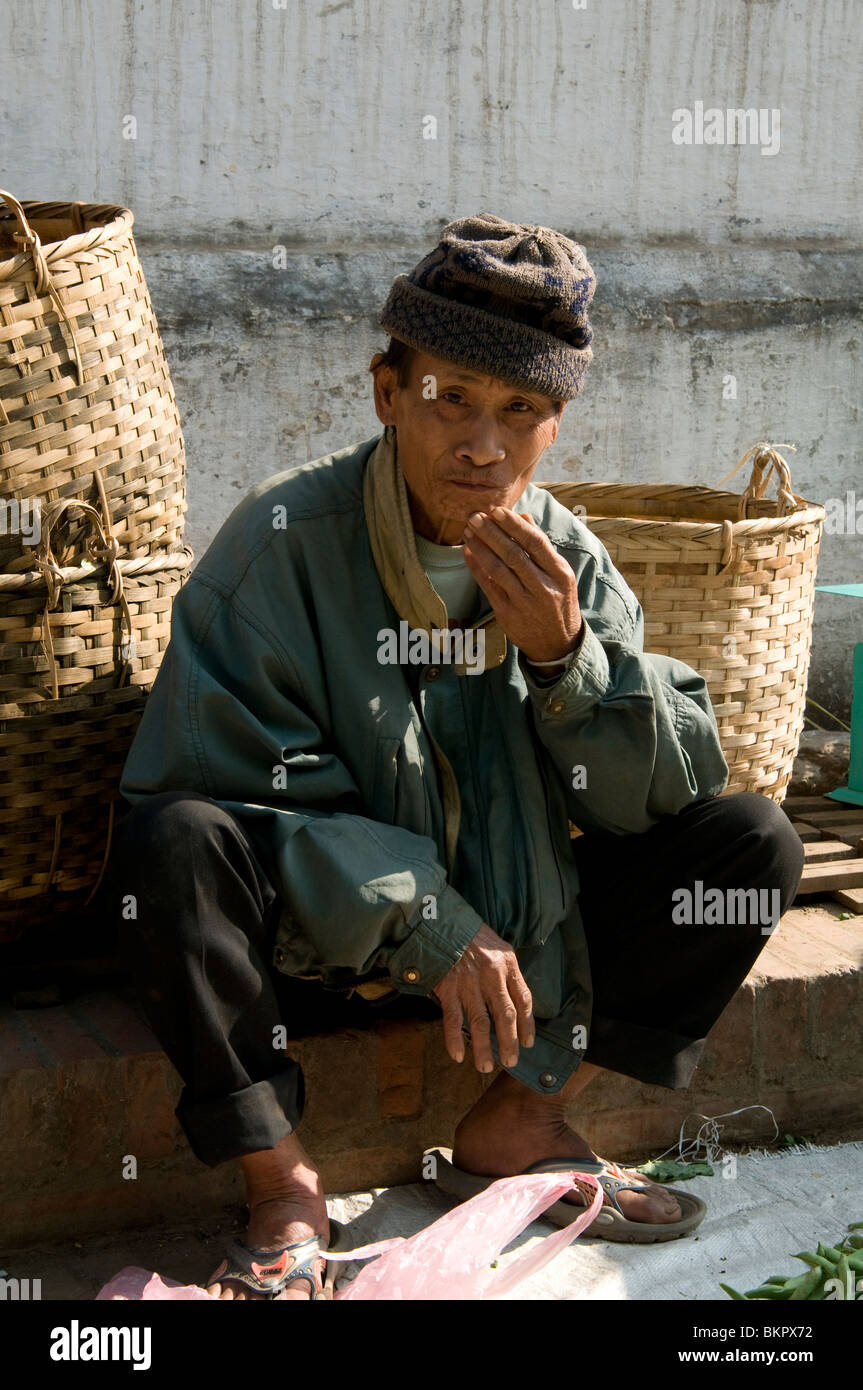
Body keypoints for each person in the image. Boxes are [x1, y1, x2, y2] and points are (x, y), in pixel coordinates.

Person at [111, 213, 804, 1299]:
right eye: (450, 400)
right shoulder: (280, 540)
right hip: (314, 954)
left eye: (518, 411)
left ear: (553, 430)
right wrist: (425, 915)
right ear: (388, 395)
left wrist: (568, 665)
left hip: (516, 964)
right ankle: (281, 1185)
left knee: (747, 841)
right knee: (174, 844)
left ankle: (519, 1120)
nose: (481, 445)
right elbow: (220, 789)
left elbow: (652, 798)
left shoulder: (563, 551)